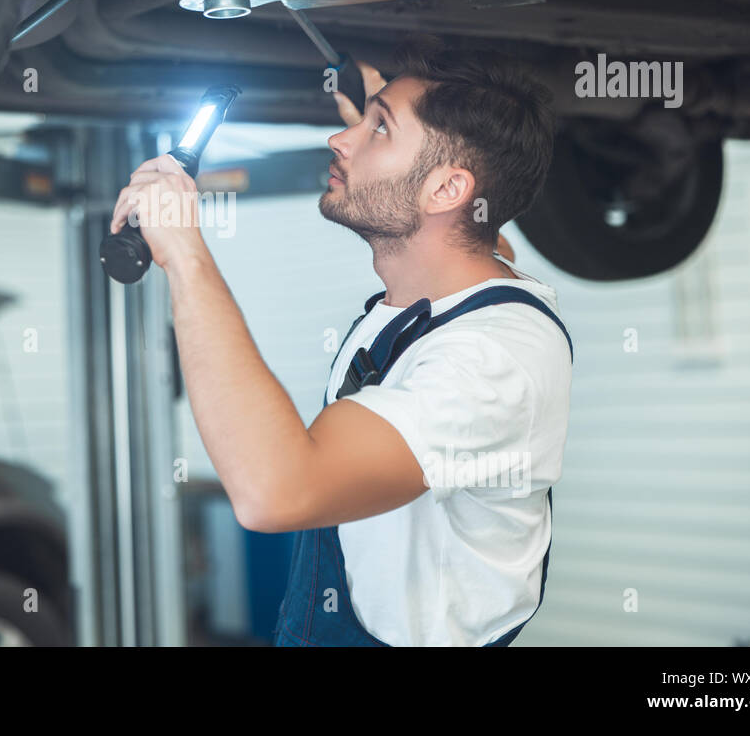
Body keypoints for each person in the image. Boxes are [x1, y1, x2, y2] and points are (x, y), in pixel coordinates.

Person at [108, 40, 572, 646]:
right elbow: (468, 235)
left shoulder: (491, 362)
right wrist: (378, 127)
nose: (339, 141)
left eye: (380, 129)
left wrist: (184, 251)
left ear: (446, 191)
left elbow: (274, 493)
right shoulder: (453, 276)